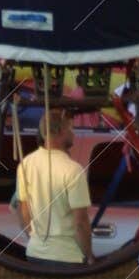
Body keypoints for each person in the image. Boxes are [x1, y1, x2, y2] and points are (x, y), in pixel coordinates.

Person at [16, 108, 93, 264]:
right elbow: (81, 223)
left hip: (34, 253)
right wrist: (89, 256)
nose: (74, 134)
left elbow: (23, 210)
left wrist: (36, 239)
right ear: (59, 131)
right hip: (66, 257)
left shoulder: (26, 164)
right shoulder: (73, 170)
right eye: (70, 128)